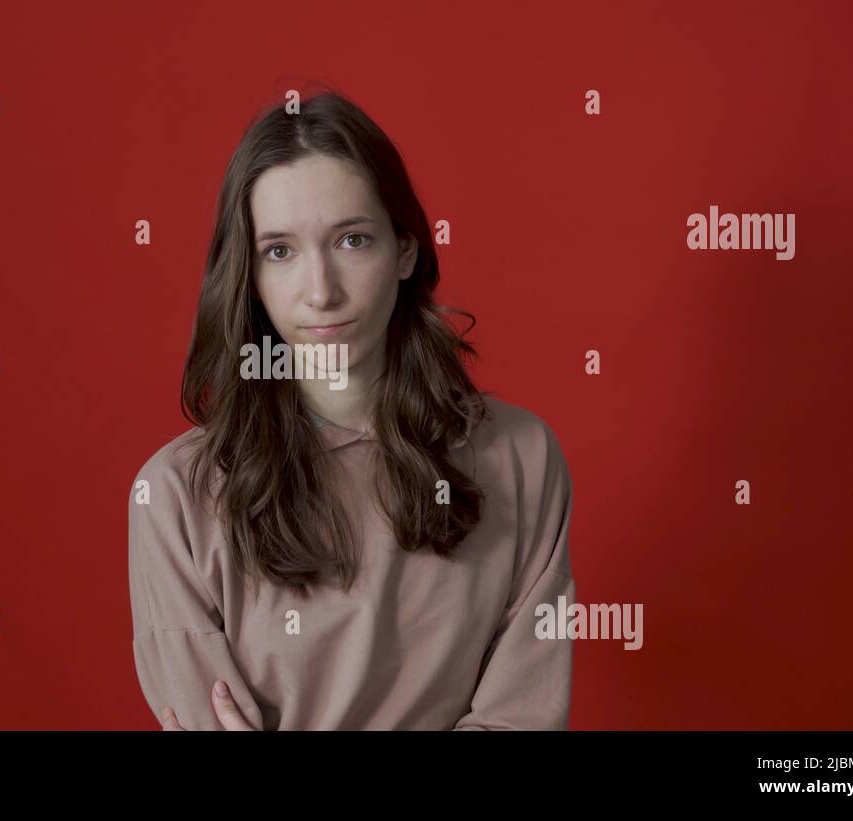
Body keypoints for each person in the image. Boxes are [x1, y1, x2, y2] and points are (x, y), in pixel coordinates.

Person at [128, 89, 576, 730]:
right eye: (279, 251)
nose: (321, 292)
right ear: (248, 277)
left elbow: (521, 720)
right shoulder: (170, 497)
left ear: (405, 251)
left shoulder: (524, 460)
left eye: (353, 240)